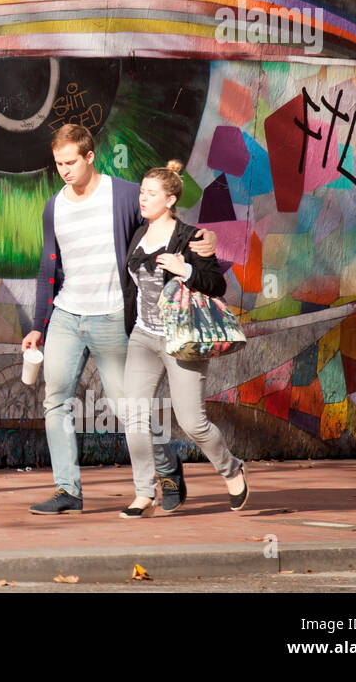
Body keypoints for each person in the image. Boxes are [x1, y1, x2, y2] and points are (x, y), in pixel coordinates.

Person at [22, 124, 216, 515]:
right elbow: (48, 267)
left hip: (112, 316)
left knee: (128, 407)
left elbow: (168, 226)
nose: (64, 170)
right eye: (58, 163)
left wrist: (204, 243)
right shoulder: (54, 205)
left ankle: (167, 469)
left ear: (90, 157)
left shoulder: (125, 195)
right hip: (66, 313)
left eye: (71, 162)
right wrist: (37, 326)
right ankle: (68, 491)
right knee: (55, 401)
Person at [119, 162, 248, 517]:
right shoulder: (137, 234)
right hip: (142, 338)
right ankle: (144, 493)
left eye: (151, 194)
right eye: (141, 192)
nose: (142, 199)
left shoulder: (190, 238)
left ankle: (231, 469)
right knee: (134, 415)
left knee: (192, 422)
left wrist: (185, 269)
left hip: (181, 341)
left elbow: (217, 285)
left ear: (171, 199)